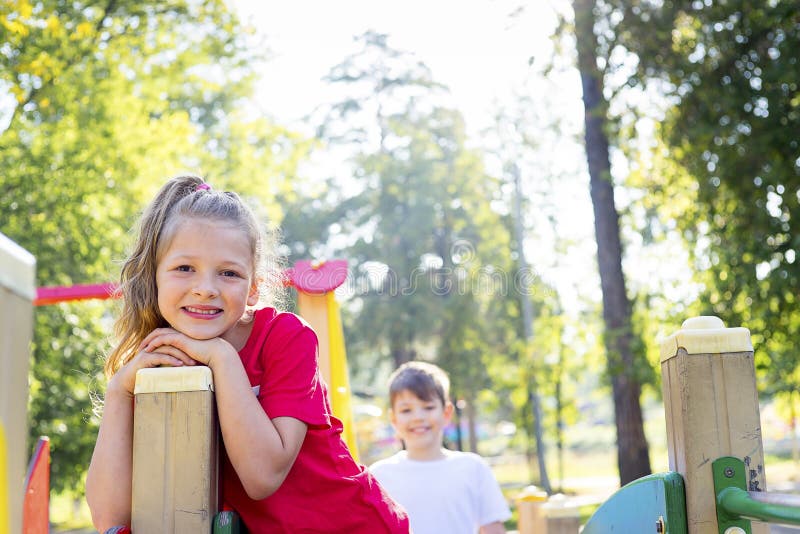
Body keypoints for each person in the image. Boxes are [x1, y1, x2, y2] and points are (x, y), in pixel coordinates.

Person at [85, 175, 410, 533]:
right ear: (155, 277)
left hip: (352, 525)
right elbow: (110, 521)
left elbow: (262, 477)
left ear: (253, 288)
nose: (205, 289)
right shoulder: (159, 361)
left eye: (228, 273)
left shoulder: (285, 338)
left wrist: (221, 358)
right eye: (184, 268)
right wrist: (118, 391)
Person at [370, 361, 511, 534]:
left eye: (428, 407)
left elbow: (493, 529)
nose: (418, 417)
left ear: (446, 412)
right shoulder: (378, 476)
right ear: (393, 419)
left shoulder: (473, 468)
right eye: (406, 410)